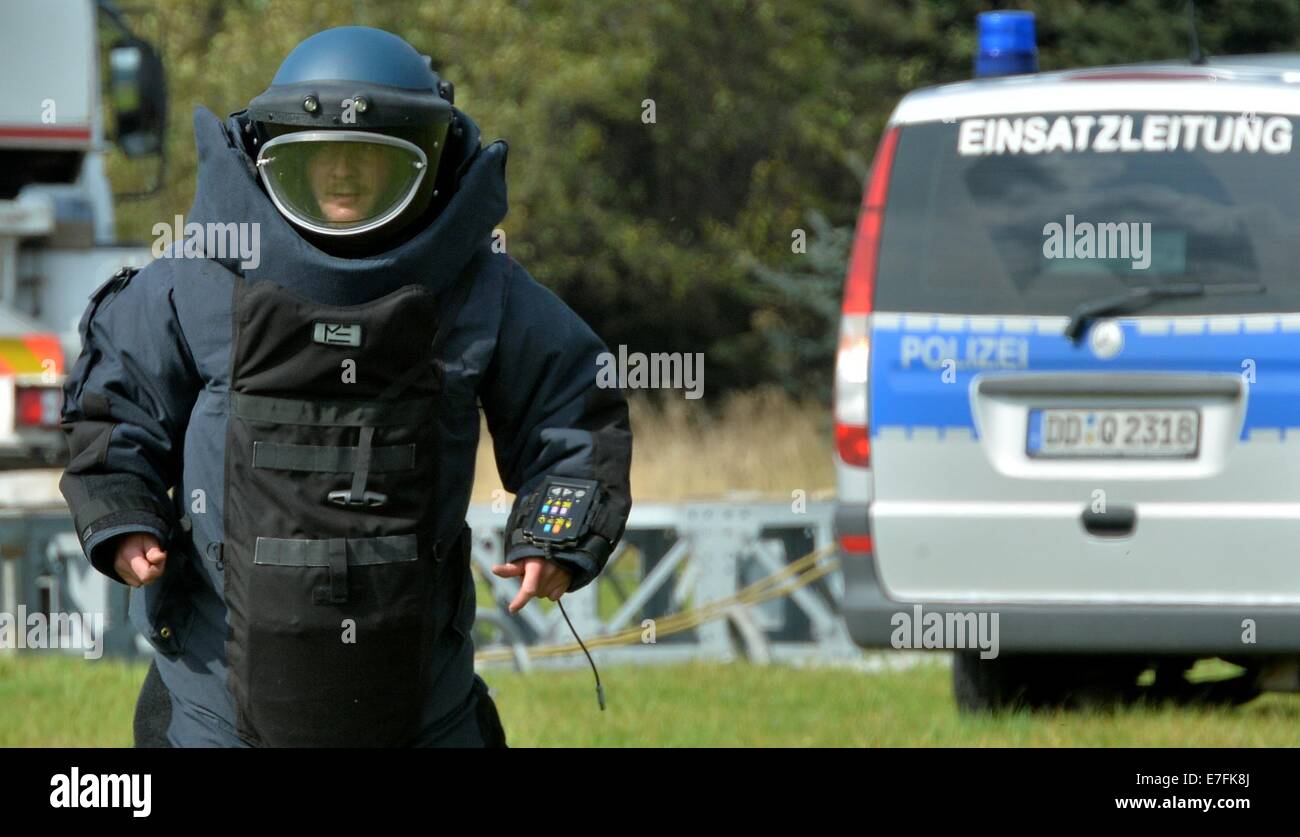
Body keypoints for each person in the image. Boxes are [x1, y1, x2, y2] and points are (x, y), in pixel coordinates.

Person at [59, 26, 633, 747]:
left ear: (430, 166)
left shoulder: (479, 291)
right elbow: (115, 411)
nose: (344, 182)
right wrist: (124, 518)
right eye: (320, 163)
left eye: (370, 164)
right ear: (267, 160)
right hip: (214, 700)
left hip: (423, 698)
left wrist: (560, 531)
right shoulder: (197, 282)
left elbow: (573, 411)